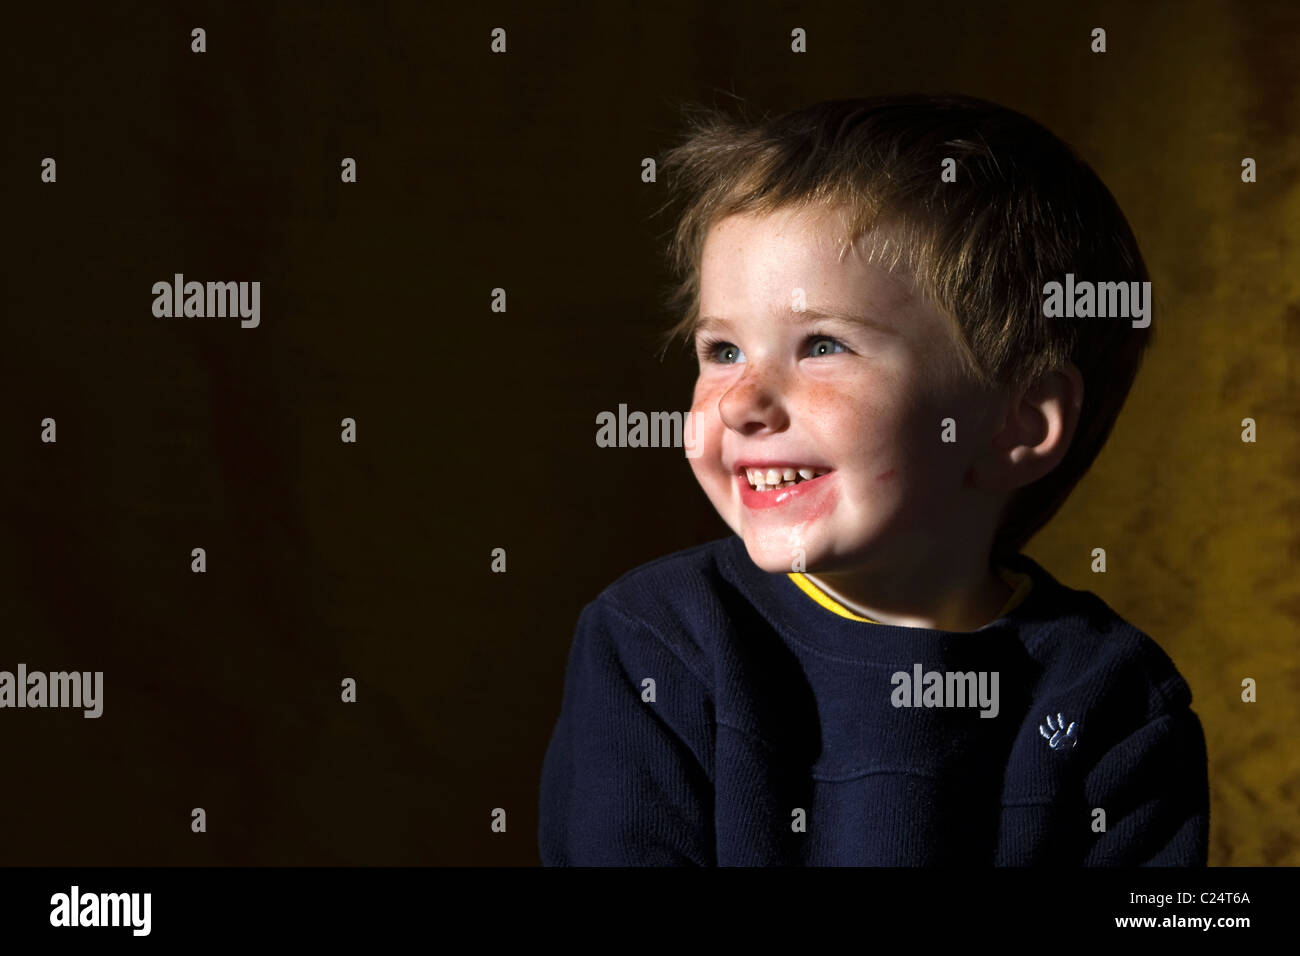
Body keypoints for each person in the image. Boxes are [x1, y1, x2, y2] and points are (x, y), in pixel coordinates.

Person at [538, 94, 1209, 865]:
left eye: (821, 344)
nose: (743, 402)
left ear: (1017, 426)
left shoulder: (1118, 701)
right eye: (722, 351)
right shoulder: (655, 643)